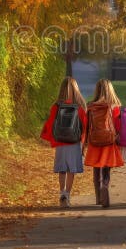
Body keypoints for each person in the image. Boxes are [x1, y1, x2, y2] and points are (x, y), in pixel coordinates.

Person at [40, 77, 88, 208]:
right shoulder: (79, 107)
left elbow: (50, 124)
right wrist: (83, 143)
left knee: (62, 169)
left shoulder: (56, 106)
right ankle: (67, 194)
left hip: (61, 143)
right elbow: (84, 125)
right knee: (71, 170)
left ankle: (61, 192)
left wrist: (49, 138)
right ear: (76, 90)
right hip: (74, 143)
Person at [83, 79, 123, 208]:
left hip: (94, 141)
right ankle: (105, 185)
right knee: (106, 169)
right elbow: (118, 126)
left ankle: (98, 197)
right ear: (111, 90)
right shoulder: (114, 107)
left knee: (96, 169)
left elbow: (86, 126)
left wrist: (84, 143)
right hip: (109, 142)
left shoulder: (90, 106)